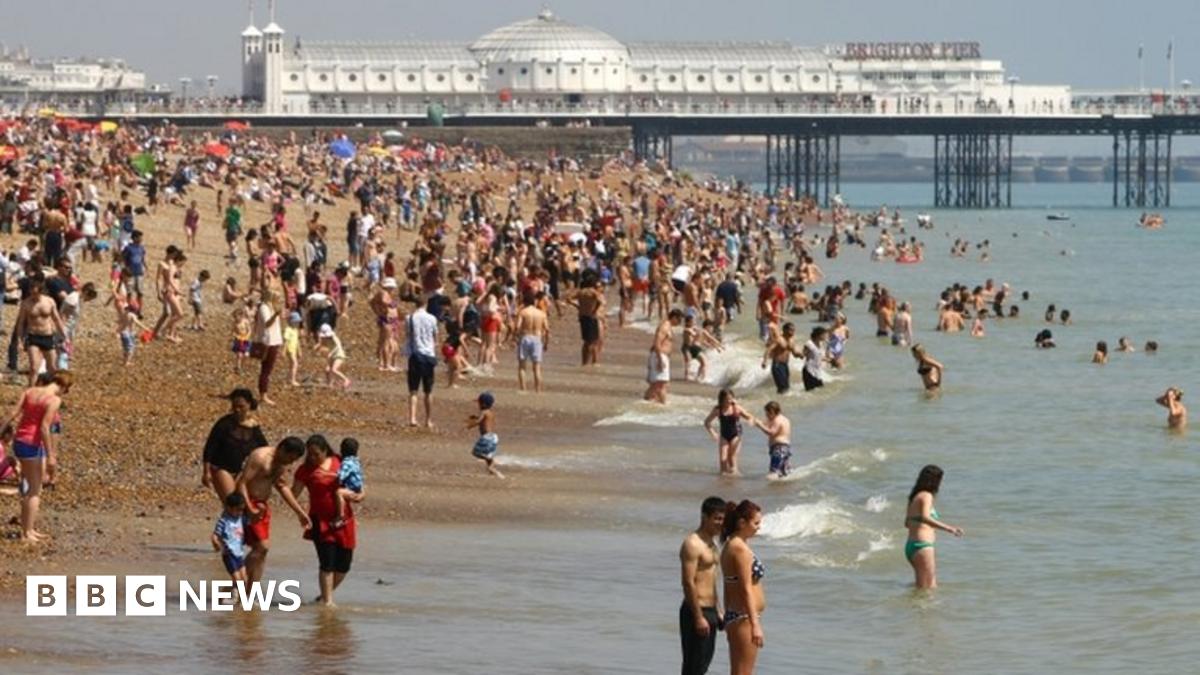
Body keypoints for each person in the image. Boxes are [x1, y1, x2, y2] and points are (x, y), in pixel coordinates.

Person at [293, 434, 362, 607]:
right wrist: (301, 513)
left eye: (316, 454)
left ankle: (324, 596)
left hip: (344, 520)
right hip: (320, 521)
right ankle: (328, 602)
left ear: (325, 450)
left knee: (344, 565)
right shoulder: (305, 470)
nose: (312, 458)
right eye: (309, 454)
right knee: (327, 563)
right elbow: (293, 494)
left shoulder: (340, 461)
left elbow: (358, 481)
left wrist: (361, 495)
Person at [6, 371, 72, 542]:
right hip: (31, 444)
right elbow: (44, 427)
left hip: (20, 440)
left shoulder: (30, 391)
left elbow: (13, 413)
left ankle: (29, 529)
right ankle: (26, 533)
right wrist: (51, 456)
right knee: (34, 491)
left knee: (32, 487)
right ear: (63, 386)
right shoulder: (54, 400)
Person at [236, 437, 310, 584]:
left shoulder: (280, 464)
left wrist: (300, 513)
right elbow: (241, 483)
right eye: (290, 458)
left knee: (262, 552)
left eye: (294, 460)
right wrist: (249, 508)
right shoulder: (260, 457)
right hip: (247, 504)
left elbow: (282, 487)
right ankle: (235, 583)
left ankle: (249, 594)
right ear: (282, 449)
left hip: (262, 507)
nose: (291, 463)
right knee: (262, 547)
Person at [679, 496, 726, 675]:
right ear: (704, 517)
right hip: (695, 611)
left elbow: (712, 579)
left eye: (722, 519)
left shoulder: (712, 544)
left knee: (703, 665)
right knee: (693, 667)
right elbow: (688, 582)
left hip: (711, 610)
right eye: (716, 518)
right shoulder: (692, 543)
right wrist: (698, 617)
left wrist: (719, 609)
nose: (720, 523)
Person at [721, 500, 766, 675]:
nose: (758, 527)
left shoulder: (731, 545)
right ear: (741, 523)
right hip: (744, 617)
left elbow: (728, 585)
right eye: (756, 523)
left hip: (737, 615)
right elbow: (745, 588)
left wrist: (727, 616)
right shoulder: (739, 549)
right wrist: (755, 624)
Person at [202, 388, 268, 501]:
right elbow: (210, 447)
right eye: (234, 406)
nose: (237, 410)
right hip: (222, 468)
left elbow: (264, 449)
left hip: (242, 471)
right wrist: (206, 472)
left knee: (243, 504)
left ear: (249, 404)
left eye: (241, 406)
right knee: (231, 502)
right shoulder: (224, 424)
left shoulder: (254, 427)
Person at [904, 464, 964, 590]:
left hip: (912, 547)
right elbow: (925, 517)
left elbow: (907, 523)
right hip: (922, 546)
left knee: (921, 588)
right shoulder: (926, 495)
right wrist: (950, 528)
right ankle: (923, 610)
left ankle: (915, 609)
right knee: (929, 588)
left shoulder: (914, 497)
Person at [405, 298, 440, 428]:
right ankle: (428, 420)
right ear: (426, 305)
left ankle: (412, 418)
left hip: (416, 355)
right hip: (429, 355)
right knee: (428, 391)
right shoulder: (432, 318)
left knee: (413, 390)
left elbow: (408, 335)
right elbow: (435, 337)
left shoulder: (410, 318)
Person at [704, 389, 752, 476]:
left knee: (732, 458)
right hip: (724, 436)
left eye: (731, 399)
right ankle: (724, 480)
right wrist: (713, 433)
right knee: (723, 459)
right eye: (727, 399)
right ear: (721, 400)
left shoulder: (736, 408)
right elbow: (707, 422)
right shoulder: (718, 410)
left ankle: (736, 475)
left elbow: (749, 416)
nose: (729, 401)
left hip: (736, 435)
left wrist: (750, 421)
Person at [645, 309, 684, 404]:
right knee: (660, 384)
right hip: (660, 355)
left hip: (662, 356)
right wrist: (659, 359)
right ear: (674, 317)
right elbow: (657, 342)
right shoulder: (664, 327)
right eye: (679, 320)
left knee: (661, 384)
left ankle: (652, 402)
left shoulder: (668, 327)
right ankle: (662, 404)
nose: (680, 323)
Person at [515, 293, 550, 392]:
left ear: (524, 302)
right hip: (537, 338)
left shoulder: (523, 312)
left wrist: (516, 338)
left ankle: (523, 389)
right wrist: (546, 342)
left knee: (522, 366)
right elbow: (547, 329)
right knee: (537, 368)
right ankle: (538, 390)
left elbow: (517, 327)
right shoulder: (541, 313)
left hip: (525, 337)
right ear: (534, 301)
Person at [254, 289, 284, 405]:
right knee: (265, 369)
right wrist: (276, 314)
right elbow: (267, 324)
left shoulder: (270, 307)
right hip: (268, 341)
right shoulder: (264, 308)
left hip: (274, 341)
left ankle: (264, 393)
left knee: (268, 369)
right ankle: (263, 395)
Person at [211, 492, 249, 584]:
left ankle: (224, 595)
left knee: (244, 579)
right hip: (229, 554)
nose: (240, 512)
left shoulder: (242, 519)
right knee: (237, 580)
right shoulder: (223, 521)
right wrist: (216, 544)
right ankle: (242, 598)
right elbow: (215, 536)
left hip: (239, 554)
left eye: (242, 510)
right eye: (238, 510)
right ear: (228, 508)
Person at [751, 401, 792, 479]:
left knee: (772, 473)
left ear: (774, 412)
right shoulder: (784, 419)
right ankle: (783, 489)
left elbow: (771, 432)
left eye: (768, 413)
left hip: (779, 449)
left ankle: (772, 489)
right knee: (783, 473)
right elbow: (768, 424)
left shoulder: (777, 420)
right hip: (785, 448)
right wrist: (758, 422)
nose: (767, 415)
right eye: (766, 413)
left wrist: (759, 426)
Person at [468, 391, 503, 478]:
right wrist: (475, 417)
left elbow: (479, 421)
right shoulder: (490, 412)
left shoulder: (483, 412)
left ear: (483, 404)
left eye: (479, 403)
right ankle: (492, 469)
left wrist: (470, 425)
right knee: (486, 453)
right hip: (493, 437)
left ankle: (491, 461)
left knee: (476, 452)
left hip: (487, 437)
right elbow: (485, 420)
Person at [761, 322, 801, 394]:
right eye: (791, 330)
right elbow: (769, 350)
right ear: (785, 330)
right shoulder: (779, 340)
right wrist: (764, 361)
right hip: (777, 365)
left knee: (787, 386)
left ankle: (782, 401)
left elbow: (794, 353)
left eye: (794, 330)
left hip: (785, 365)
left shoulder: (792, 340)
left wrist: (801, 355)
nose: (793, 332)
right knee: (782, 387)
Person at [333, 437, 363, 529]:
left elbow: (341, 476)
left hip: (352, 488)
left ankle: (340, 516)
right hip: (357, 487)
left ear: (342, 450)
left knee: (339, 493)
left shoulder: (347, 463)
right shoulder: (355, 460)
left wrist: (333, 476)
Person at [317, 323, 351, 390]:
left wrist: (331, 353)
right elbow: (324, 345)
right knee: (327, 370)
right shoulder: (326, 339)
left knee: (334, 369)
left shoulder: (334, 337)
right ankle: (330, 384)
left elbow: (337, 347)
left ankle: (346, 380)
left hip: (339, 355)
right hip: (332, 356)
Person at [800, 326, 828, 392]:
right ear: (819, 335)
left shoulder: (821, 344)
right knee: (810, 392)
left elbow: (819, 357)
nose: (825, 336)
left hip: (817, 372)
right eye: (824, 335)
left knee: (820, 391)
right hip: (808, 371)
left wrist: (829, 360)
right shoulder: (809, 344)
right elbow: (802, 355)